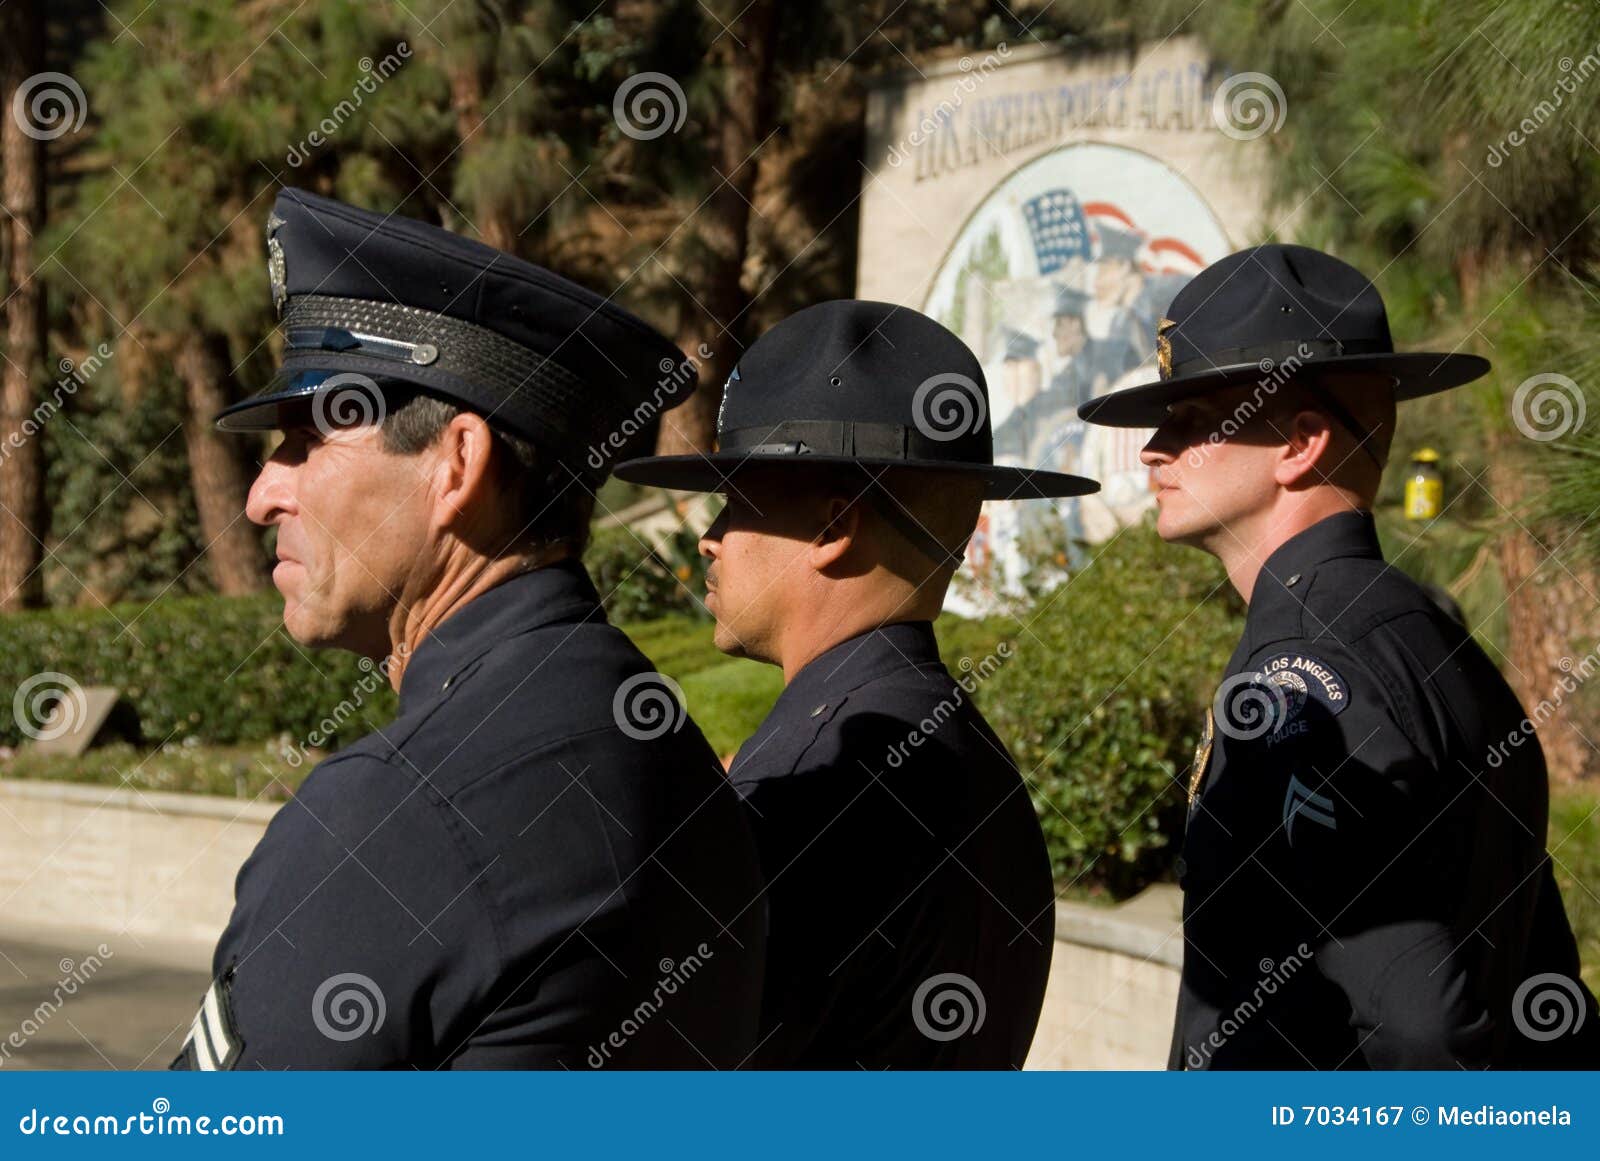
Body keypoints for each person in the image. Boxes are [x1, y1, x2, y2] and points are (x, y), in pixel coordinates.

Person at [172, 188, 766, 1070]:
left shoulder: (392, 814)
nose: (262, 494)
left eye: (305, 439)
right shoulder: (659, 741)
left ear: (455, 465)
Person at [1079, 243, 1600, 1069]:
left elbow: (1424, 1034)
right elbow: (1545, 990)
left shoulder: (1300, 673)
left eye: (1191, 417)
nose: (1153, 448)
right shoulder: (1435, 633)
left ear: (1302, 443)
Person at [615, 300, 1099, 1067]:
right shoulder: (972, 757)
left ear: (831, 529)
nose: (708, 538)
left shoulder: (820, 778)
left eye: (736, 501)